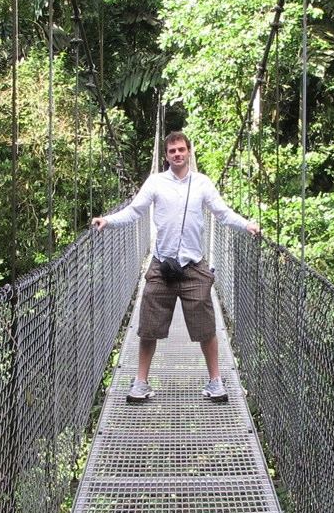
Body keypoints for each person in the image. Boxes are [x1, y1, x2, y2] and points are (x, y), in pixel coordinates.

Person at [91, 131, 262, 403]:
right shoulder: (156, 182)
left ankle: (215, 381)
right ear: (166, 155)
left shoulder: (202, 183)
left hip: (194, 266)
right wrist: (108, 221)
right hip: (161, 266)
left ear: (189, 151)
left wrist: (246, 224)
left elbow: (222, 212)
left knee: (207, 327)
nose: (177, 154)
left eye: (181, 149)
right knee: (148, 327)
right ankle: (140, 383)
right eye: (172, 151)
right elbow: (135, 211)